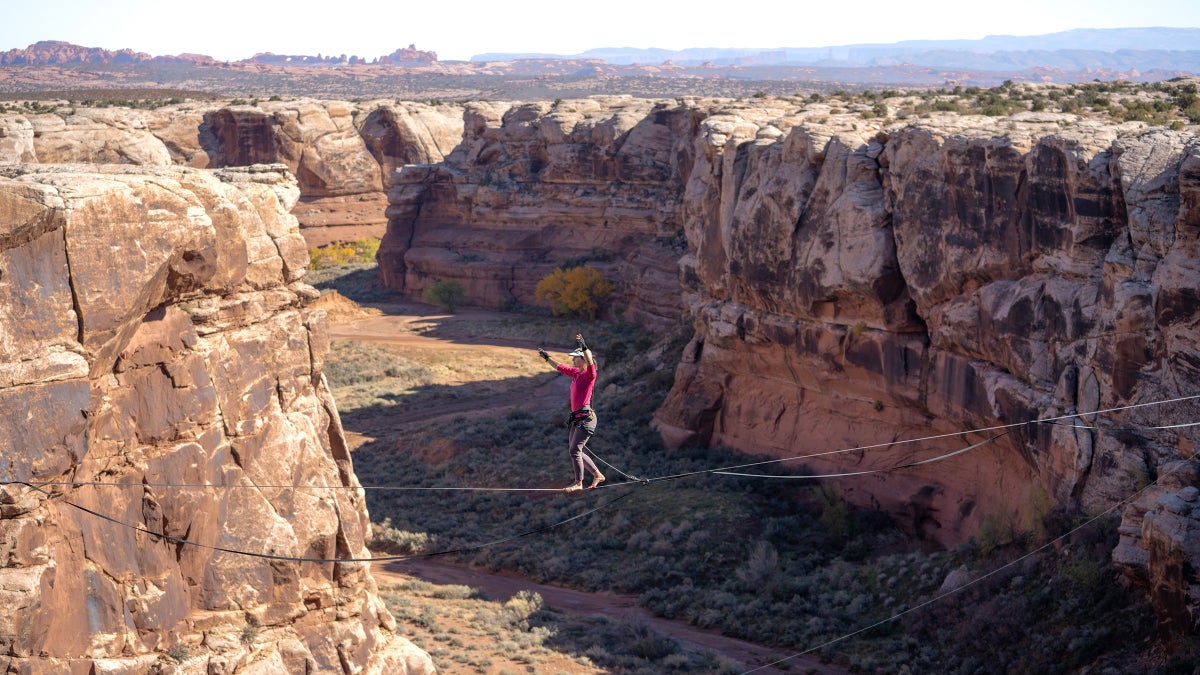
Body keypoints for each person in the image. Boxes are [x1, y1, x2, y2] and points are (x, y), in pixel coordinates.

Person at [538, 333, 604, 492]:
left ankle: (578, 483)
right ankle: (597, 475)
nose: (573, 360)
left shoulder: (590, 374)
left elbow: (589, 360)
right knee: (575, 450)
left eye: (575, 357)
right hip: (576, 419)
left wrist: (584, 346)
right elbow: (558, 367)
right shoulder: (575, 373)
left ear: (581, 358)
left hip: (586, 419)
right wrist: (547, 357)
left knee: (575, 450)